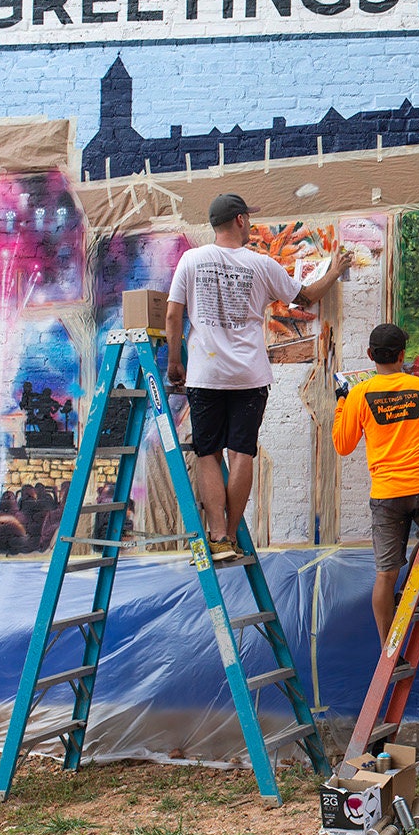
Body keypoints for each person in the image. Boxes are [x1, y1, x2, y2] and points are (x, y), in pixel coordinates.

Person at [166, 192, 352, 561]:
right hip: (249, 376)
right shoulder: (261, 265)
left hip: (206, 375)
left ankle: (216, 537)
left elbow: (173, 316)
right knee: (242, 454)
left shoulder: (191, 260)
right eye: (248, 219)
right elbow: (307, 297)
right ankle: (232, 535)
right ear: (239, 221)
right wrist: (332, 270)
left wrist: (175, 362)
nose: (250, 224)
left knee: (207, 453)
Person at [333, 323, 419, 641]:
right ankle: (410, 594)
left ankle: (388, 646)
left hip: (387, 495)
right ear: (403, 355)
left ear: (371, 355)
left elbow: (342, 446)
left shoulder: (358, 394)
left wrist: (341, 403)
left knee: (385, 573)